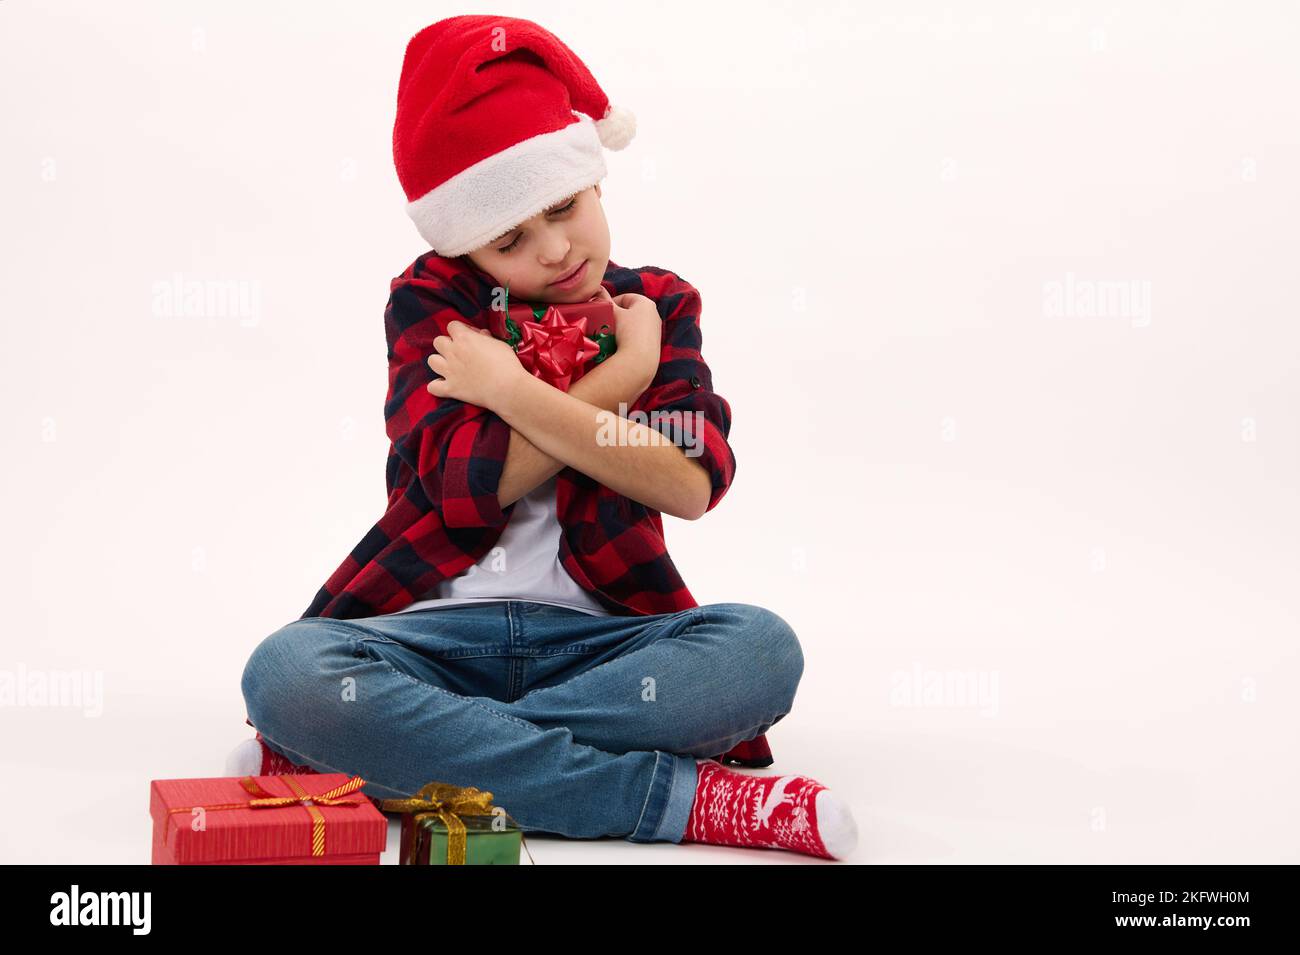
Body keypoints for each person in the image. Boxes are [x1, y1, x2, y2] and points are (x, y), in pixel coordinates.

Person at [231, 14, 857, 860]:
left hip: (603, 645)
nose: (556, 249)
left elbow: (688, 481)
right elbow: (462, 489)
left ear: (596, 181)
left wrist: (517, 393)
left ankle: (380, 756)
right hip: (430, 640)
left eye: (564, 207)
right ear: (468, 246)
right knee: (289, 673)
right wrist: (616, 384)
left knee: (760, 650)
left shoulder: (658, 306)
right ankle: (682, 799)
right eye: (509, 239)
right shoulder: (431, 305)